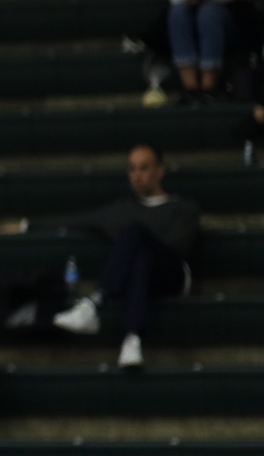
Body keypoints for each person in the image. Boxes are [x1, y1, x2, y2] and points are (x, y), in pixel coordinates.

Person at [21, 144, 201, 370]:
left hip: (172, 274)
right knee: (141, 257)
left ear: (160, 171)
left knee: (134, 234)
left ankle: (94, 303)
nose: (137, 176)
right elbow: (78, 219)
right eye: (132, 169)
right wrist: (27, 225)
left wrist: (138, 240)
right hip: (140, 273)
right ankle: (132, 340)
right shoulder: (122, 209)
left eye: (144, 168)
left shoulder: (183, 208)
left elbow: (176, 250)